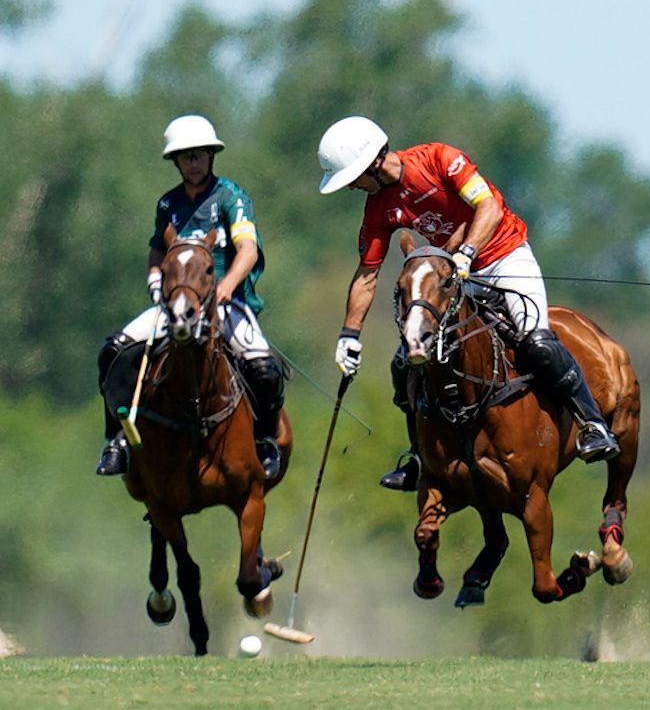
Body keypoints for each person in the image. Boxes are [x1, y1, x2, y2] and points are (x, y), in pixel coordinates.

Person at [316, 116, 620, 491]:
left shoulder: (439, 159)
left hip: (504, 256)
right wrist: (349, 333)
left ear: (371, 164)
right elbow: (367, 274)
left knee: (535, 340)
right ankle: (419, 455)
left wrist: (468, 253)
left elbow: (488, 207)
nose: (352, 188)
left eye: (352, 179)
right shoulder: (378, 207)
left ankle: (592, 424)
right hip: (451, 278)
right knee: (407, 361)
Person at [95, 115, 284, 479]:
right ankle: (117, 440)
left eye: (199, 156)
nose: (193, 163)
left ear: (211, 156)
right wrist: (155, 278)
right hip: (175, 305)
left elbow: (247, 251)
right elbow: (156, 250)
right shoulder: (168, 205)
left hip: (226, 305)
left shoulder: (231, 197)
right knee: (113, 353)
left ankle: (265, 442)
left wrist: (227, 285)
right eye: (186, 158)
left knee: (264, 368)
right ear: (176, 162)